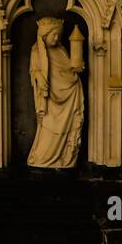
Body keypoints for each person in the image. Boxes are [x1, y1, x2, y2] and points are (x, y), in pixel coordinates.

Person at [27, 17, 85, 169]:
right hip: (51, 101)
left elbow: (68, 69)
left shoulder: (61, 49)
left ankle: (65, 157)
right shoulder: (36, 51)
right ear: (44, 35)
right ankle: (42, 158)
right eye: (54, 35)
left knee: (66, 130)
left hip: (69, 96)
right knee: (49, 131)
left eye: (59, 35)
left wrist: (76, 70)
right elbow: (34, 71)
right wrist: (39, 76)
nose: (57, 38)